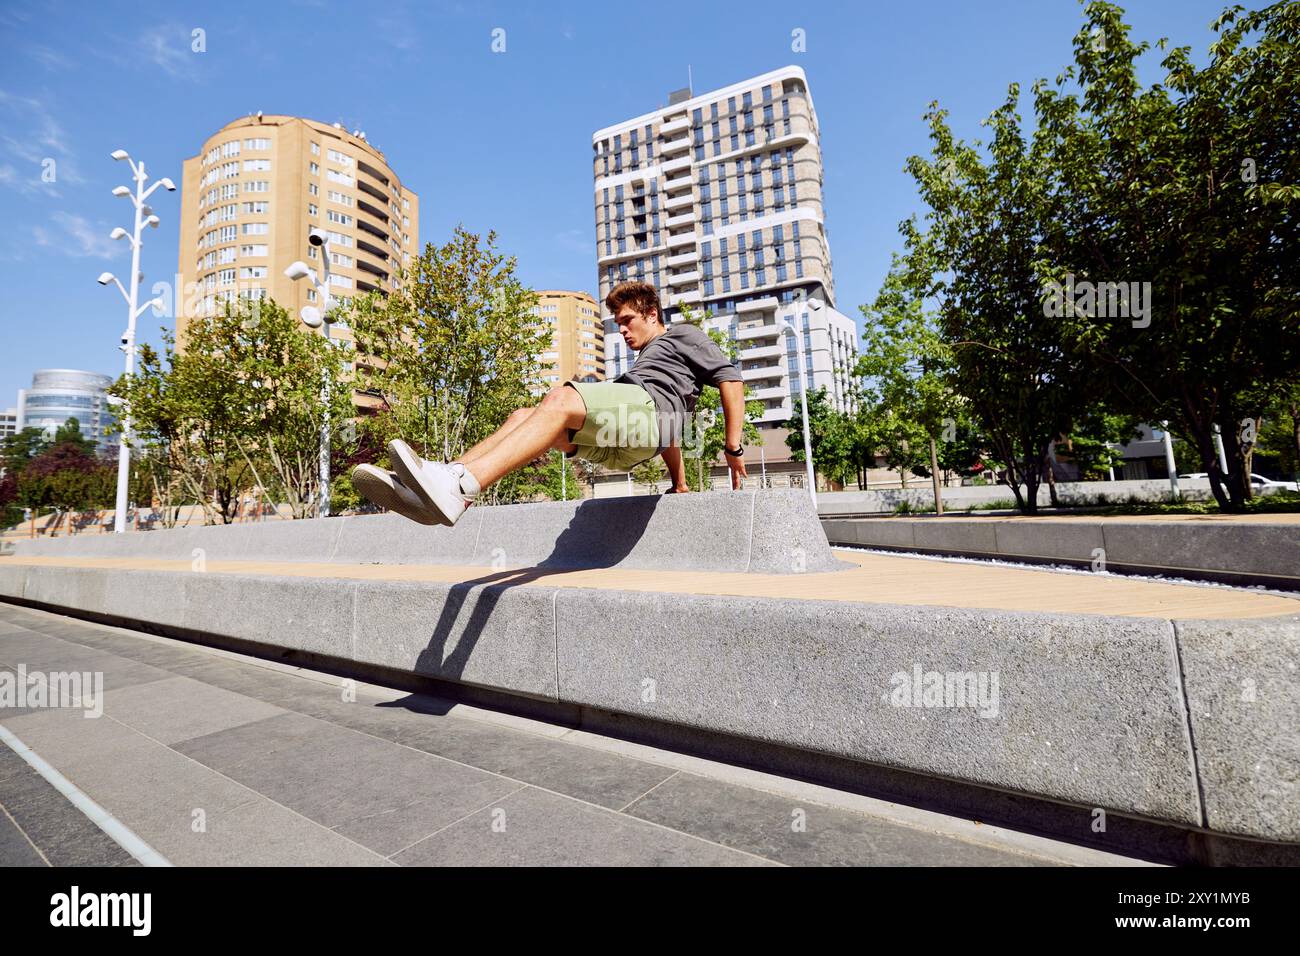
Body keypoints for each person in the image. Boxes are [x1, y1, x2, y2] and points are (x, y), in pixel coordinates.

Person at [352, 281, 749, 525]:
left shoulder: (683, 335)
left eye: (628, 320)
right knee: (524, 415)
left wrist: (733, 447)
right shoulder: (648, 368)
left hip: (647, 418)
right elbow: (666, 426)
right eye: (618, 323)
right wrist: (678, 483)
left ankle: (459, 488)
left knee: (562, 397)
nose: (623, 330)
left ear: (652, 313)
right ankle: (442, 483)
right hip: (632, 439)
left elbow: (730, 379)